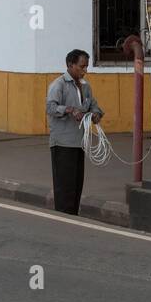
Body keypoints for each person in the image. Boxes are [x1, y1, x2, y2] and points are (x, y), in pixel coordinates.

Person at [45, 49, 104, 214]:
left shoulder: (85, 86)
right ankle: (63, 216)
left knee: (77, 184)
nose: (85, 71)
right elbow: (50, 107)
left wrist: (96, 114)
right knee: (65, 185)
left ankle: (73, 216)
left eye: (86, 67)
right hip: (63, 143)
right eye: (82, 67)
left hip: (79, 142)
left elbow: (93, 105)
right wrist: (70, 110)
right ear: (70, 65)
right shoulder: (59, 85)